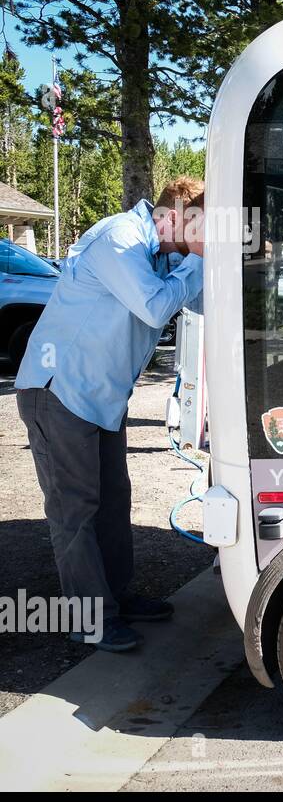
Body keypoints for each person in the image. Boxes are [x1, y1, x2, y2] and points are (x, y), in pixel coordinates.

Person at [15, 178, 206, 653]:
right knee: (74, 510)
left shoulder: (164, 256)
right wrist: (200, 259)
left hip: (101, 398)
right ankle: (90, 618)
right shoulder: (119, 238)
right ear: (178, 215)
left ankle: (117, 597)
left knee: (114, 498)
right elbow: (156, 305)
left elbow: (202, 301)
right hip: (60, 390)